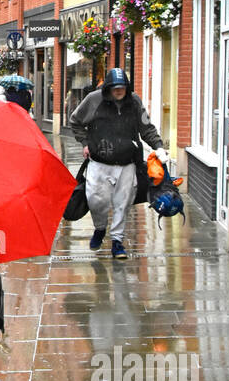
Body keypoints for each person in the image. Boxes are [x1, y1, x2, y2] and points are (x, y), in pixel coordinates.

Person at [69, 67, 168, 260]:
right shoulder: (94, 100)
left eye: (122, 87)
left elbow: (146, 127)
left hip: (127, 162)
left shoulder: (135, 102)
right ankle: (99, 228)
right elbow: (75, 121)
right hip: (99, 161)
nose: (119, 91)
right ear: (108, 87)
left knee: (123, 203)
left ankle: (117, 241)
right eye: (115, 87)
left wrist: (158, 146)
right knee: (96, 200)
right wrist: (85, 142)